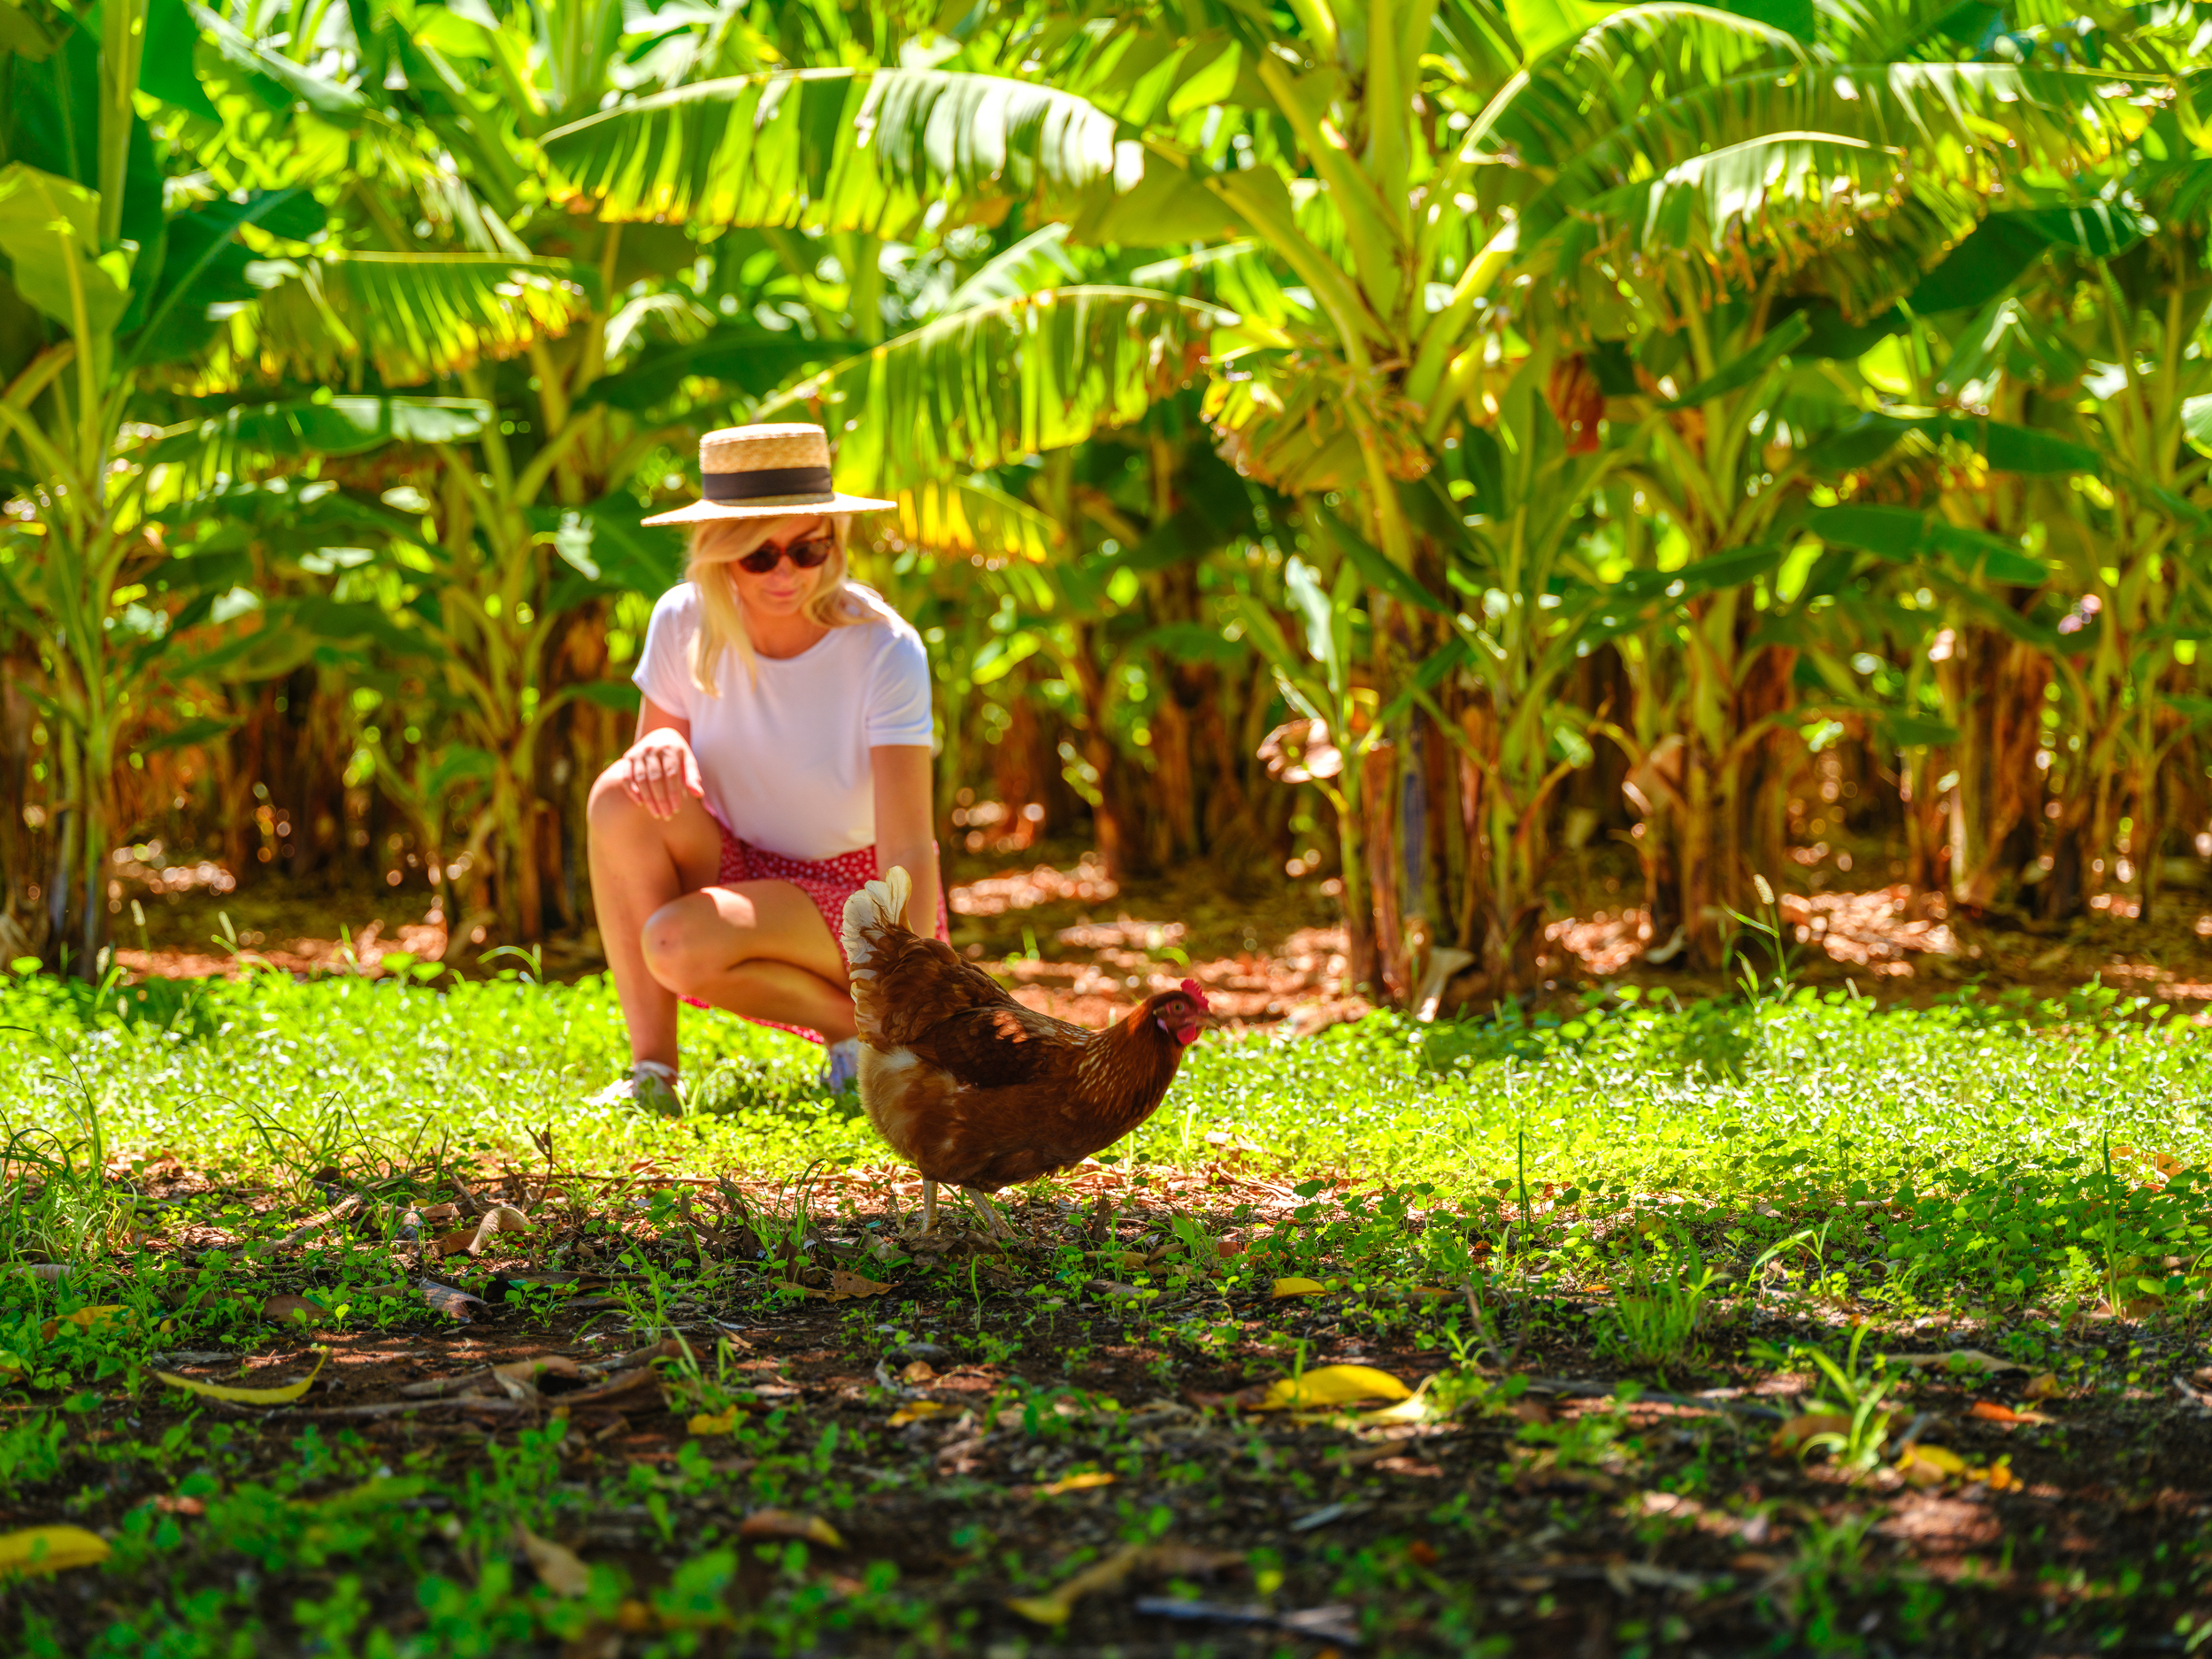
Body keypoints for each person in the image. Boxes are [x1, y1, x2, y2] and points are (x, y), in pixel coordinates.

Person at [585, 423, 944, 1113]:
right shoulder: (682, 620)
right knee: (617, 795)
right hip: (738, 862)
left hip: (856, 896)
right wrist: (660, 749)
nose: (788, 573)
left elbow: (907, 846)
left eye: (811, 548)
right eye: (761, 555)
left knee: (675, 941)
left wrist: (918, 998)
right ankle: (651, 1073)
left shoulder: (884, 648)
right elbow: (654, 779)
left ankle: (861, 1030)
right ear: (721, 553)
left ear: (834, 543)